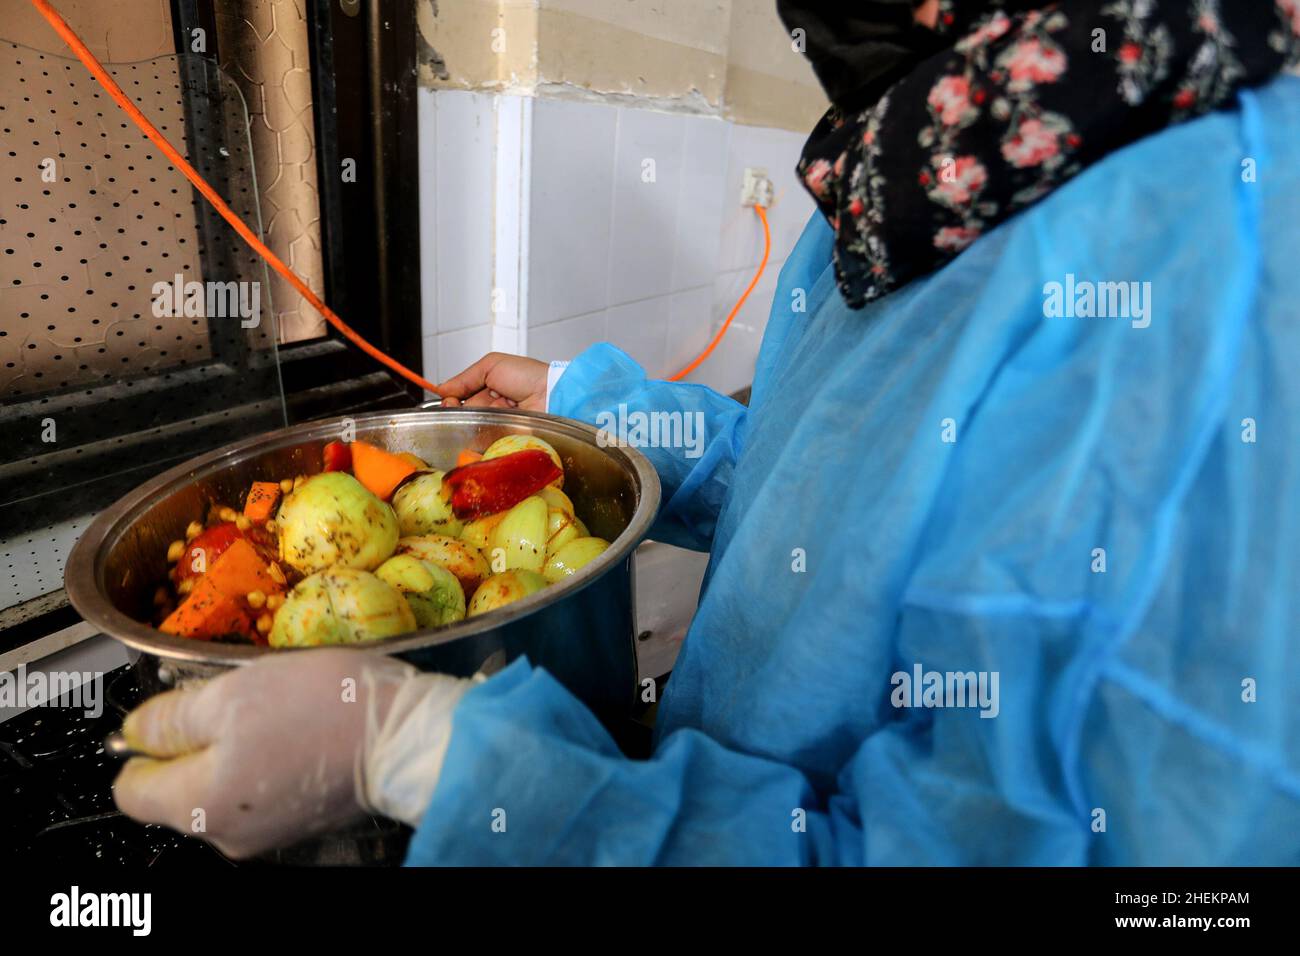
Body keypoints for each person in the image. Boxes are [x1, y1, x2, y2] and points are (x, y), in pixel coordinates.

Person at [115, 2, 1300, 864]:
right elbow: (828, 505)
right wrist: (596, 404)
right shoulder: (928, 162)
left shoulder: (1218, 267)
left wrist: (427, 755)